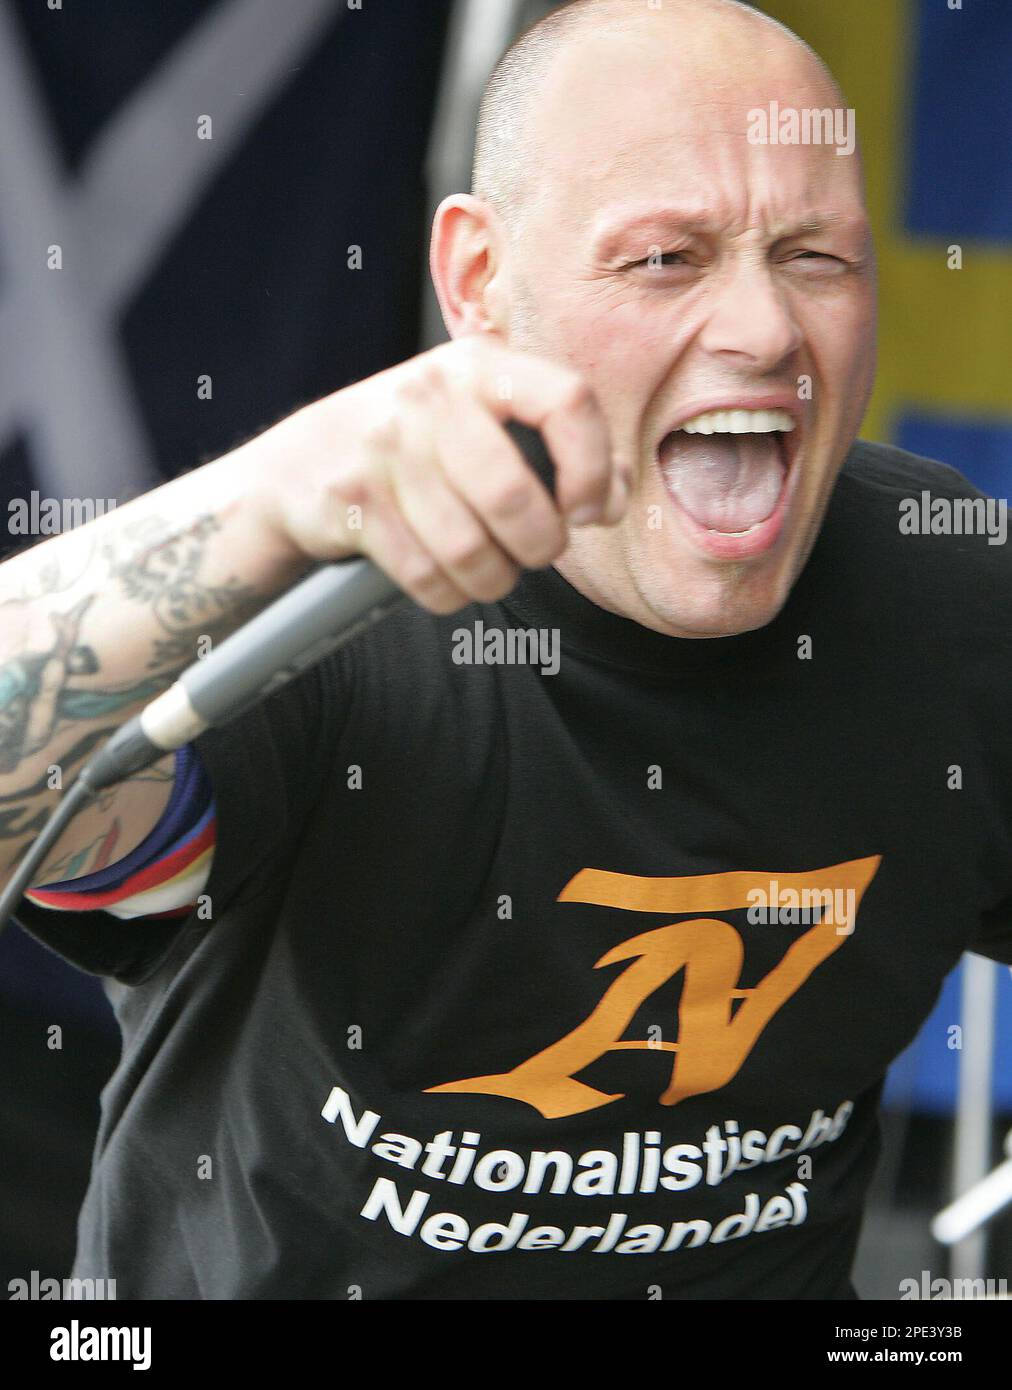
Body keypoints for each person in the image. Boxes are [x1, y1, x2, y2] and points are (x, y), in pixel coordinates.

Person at [2, 0, 1009, 1300]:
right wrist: (263, 500)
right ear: (477, 279)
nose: (765, 330)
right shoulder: (314, 609)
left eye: (816, 256)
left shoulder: (948, 598)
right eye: (666, 258)